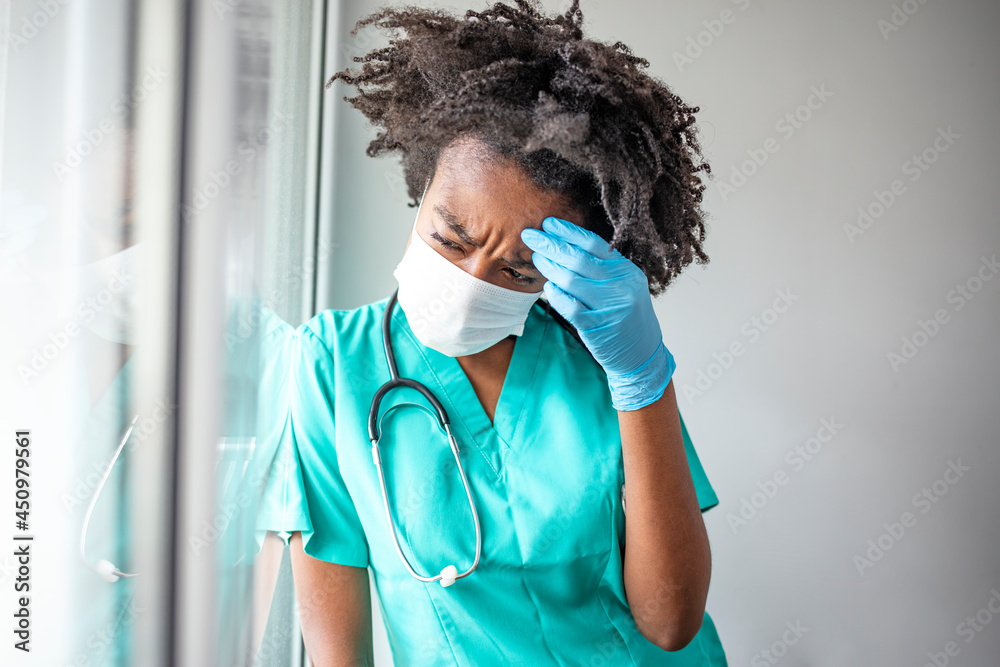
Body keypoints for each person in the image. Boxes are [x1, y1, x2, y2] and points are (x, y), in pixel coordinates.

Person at [262, 1, 726, 664]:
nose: (471, 279)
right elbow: (337, 645)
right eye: (452, 237)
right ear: (420, 187)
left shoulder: (605, 358)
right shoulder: (329, 365)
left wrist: (643, 379)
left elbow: (671, 621)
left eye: (516, 268)